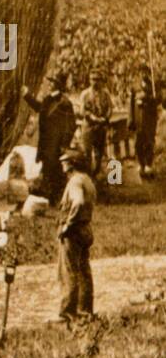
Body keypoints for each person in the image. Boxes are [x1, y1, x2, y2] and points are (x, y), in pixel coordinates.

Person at [23, 72, 78, 203]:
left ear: (58, 85)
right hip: (47, 142)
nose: (49, 84)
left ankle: (55, 197)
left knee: (54, 170)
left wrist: (64, 143)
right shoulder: (49, 99)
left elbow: (71, 125)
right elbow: (39, 108)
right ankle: (51, 196)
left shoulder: (65, 103)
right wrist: (26, 95)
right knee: (49, 169)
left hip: (56, 143)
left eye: (52, 82)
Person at [56, 148, 96, 323]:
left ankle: (68, 311)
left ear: (72, 164)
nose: (62, 164)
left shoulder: (74, 182)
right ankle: (85, 309)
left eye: (65, 161)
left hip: (74, 231)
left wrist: (67, 225)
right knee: (84, 271)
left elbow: (78, 202)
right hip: (86, 228)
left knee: (69, 271)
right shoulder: (87, 180)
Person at [76, 72, 113, 180]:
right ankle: (88, 175)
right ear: (89, 80)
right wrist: (93, 118)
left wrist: (105, 118)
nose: (95, 82)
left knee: (99, 152)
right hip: (89, 126)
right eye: (93, 79)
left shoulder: (105, 94)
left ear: (101, 81)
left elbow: (110, 108)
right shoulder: (85, 94)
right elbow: (82, 111)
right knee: (87, 152)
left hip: (101, 126)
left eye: (97, 79)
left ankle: (96, 173)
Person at [132, 64, 159, 179]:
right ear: (138, 73)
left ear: (148, 73)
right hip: (138, 119)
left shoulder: (153, 85)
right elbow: (130, 104)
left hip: (150, 118)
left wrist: (149, 98)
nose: (143, 74)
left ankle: (148, 164)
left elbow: (159, 100)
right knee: (137, 143)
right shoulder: (135, 86)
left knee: (149, 141)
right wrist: (130, 119)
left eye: (145, 72)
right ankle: (141, 163)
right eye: (141, 72)